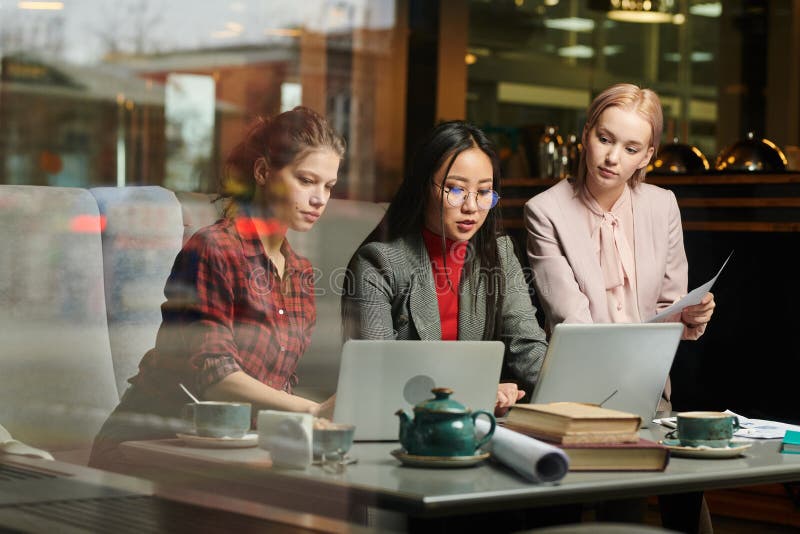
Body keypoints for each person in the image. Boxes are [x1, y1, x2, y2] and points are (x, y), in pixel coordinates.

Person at [90, 107, 344, 470]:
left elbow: (276, 384)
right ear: (262, 172)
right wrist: (314, 410)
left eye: (329, 186)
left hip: (229, 451)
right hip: (149, 445)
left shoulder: (300, 271)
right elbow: (215, 375)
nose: (320, 198)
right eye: (306, 180)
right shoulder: (214, 247)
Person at [525, 83, 715, 533]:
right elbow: (574, 323)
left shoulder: (662, 205)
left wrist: (691, 316)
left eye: (630, 148)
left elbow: (672, 302)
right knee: (623, 499)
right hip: (578, 397)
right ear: (586, 134)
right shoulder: (545, 211)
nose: (612, 158)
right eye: (605, 139)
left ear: (647, 155)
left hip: (651, 389)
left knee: (691, 480)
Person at [341, 120, 548, 415]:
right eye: (455, 190)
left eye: (484, 192)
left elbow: (527, 346)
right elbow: (377, 375)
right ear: (424, 186)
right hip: (400, 427)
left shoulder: (498, 253)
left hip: (474, 427)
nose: (472, 207)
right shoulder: (378, 263)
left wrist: (576, 392)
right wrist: (475, 392)